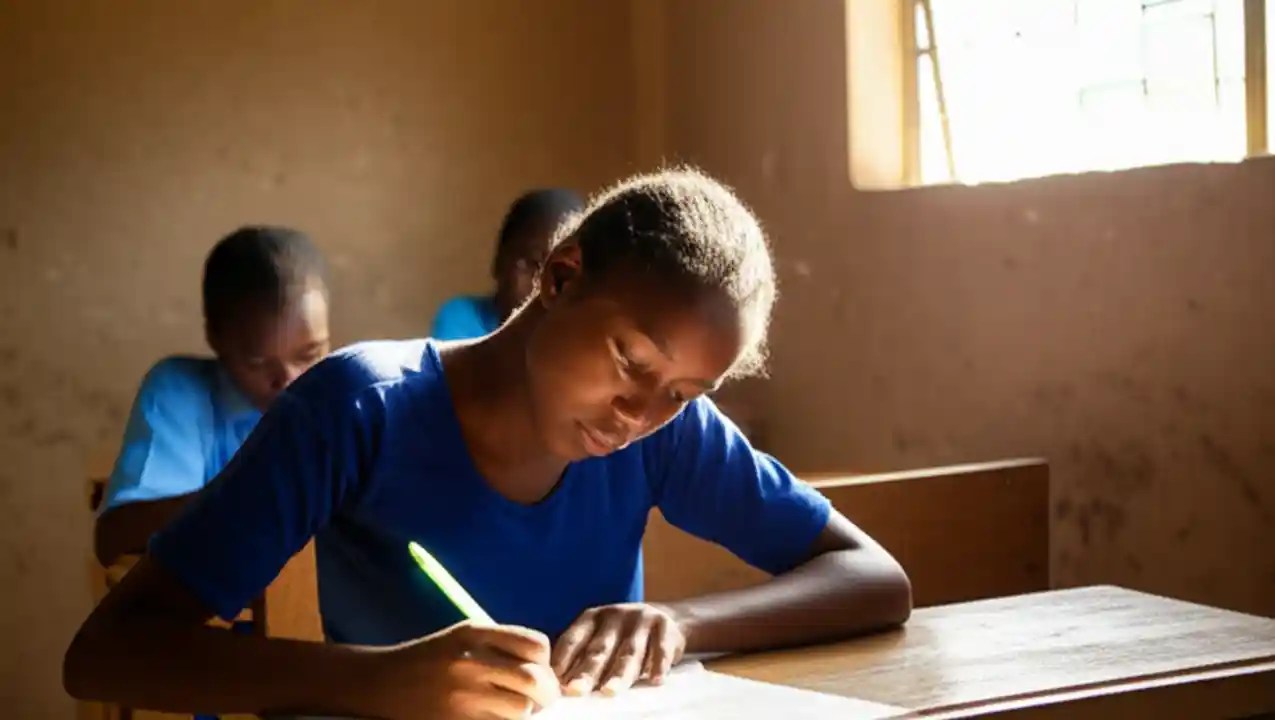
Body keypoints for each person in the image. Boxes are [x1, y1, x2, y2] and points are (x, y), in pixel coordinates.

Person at [64, 170, 911, 720]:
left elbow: (874, 579)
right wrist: (381, 681)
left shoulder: (665, 432)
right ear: (561, 275)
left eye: (684, 394)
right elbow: (106, 653)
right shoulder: (363, 408)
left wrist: (679, 623)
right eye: (629, 360)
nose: (637, 414)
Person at [93, 226, 331, 567]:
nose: (289, 381)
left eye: (310, 355)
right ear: (215, 338)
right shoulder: (182, 392)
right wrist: (255, 495)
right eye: (257, 362)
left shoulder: (349, 393)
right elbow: (115, 538)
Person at [430, 188, 584, 340]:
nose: (517, 282)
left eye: (561, 274)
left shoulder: (581, 337)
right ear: (498, 260)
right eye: (530, 263)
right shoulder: (460, 318)